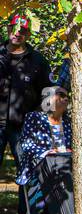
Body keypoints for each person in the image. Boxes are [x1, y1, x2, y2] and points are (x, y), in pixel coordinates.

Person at [1, 15, 51, 180]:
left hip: (23, 127)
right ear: (8, 29)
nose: (17, 34)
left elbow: (48, 93)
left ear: (28, 34)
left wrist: (36, 119)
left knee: (27, 172)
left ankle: (25, 207)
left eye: (22, 31)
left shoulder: (38, 60)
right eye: (14, 29)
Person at [17, 86, 72, 214]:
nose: (66, 98)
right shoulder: (34, 117)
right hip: (36, 165)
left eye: (67, 96)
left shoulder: (67, 122)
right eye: (60, 95)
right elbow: (26, 144)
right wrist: (47, 152)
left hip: (62, 167)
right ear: (48, 98)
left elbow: (72, 145)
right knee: (41, 178)